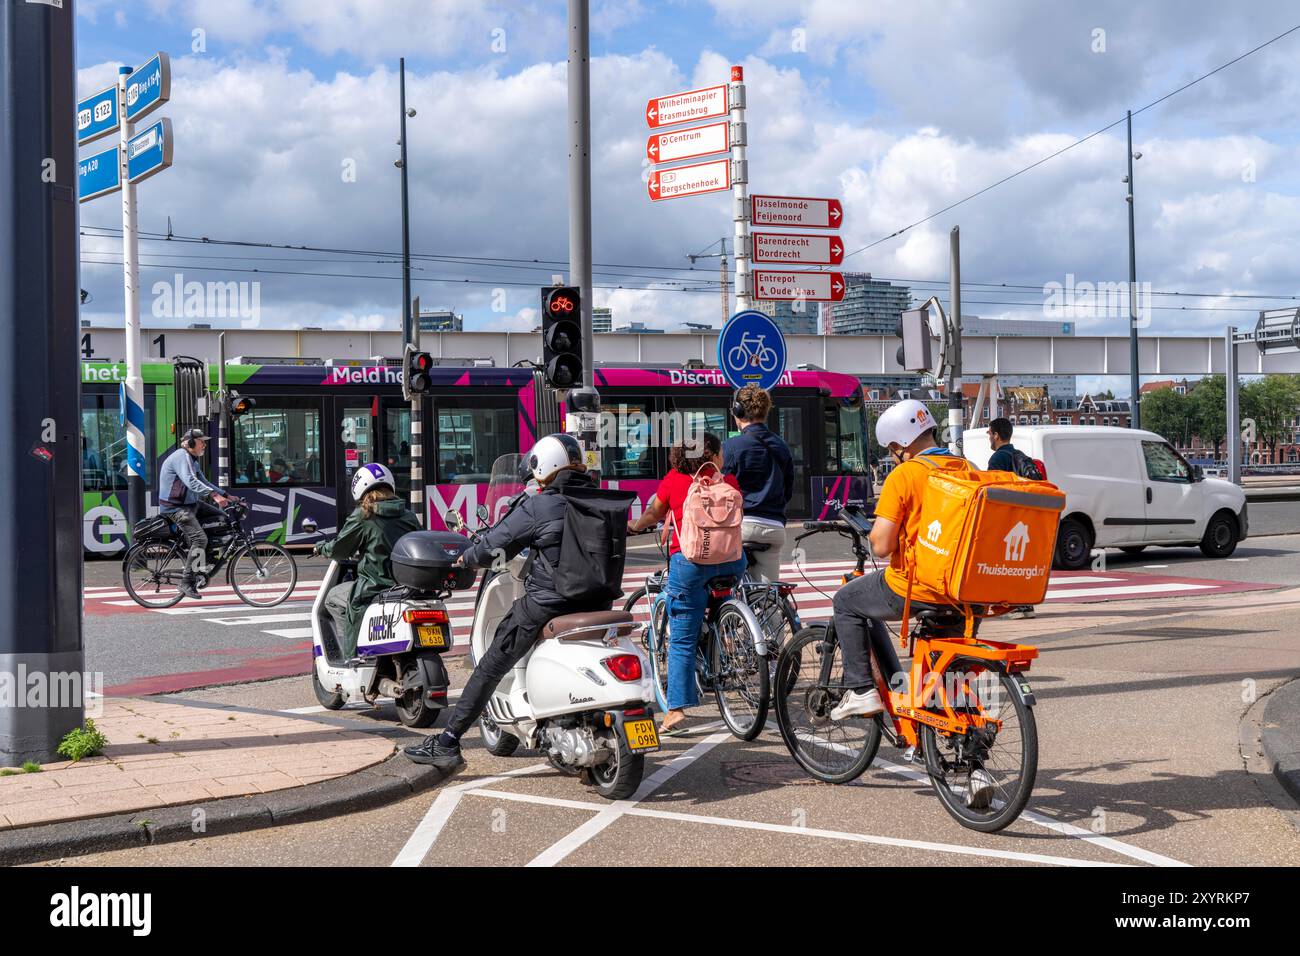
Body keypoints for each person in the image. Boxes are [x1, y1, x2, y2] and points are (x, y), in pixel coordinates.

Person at [404, 434, 611, 771]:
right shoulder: (602, 499)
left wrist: (468, 558)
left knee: (492, 662)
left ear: (543, 467)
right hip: (600, 601)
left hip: (550, 602)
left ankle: (448, 741)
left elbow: (495, 544)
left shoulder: (540, 505)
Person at [828, 399, 966, 721]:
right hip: (962, 591)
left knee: (846, 601)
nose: (892, 455)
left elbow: (881, 545)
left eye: (892, 449)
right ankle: (954, 743)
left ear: (901, 444)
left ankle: (861, 690)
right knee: (947, 672)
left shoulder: (905, 476)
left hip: (915, 588)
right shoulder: (966, 468)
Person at [627, 432, 748, 735]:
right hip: (733, 562)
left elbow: (655, 512)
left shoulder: (674, 479)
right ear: (712, 456)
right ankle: (726, 633)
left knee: (681, 638)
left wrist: (633, 525)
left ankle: (677, 711)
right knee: (719, 598)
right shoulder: (727, 481)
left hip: (691, 562)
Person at [313, 463, 420, 659]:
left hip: (374, 586)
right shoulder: (409, 516)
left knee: (334, 599)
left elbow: (340, 549)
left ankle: (352, 654)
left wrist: (322, 547)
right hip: (405, 587)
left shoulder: (364, 515)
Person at [722, 384, 794, 584]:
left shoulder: (730, 447)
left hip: (741, 526)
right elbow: (788, 491)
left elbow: (719, 491)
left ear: (738, 412)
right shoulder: (782, 446)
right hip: (774, 529)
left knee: (721, 583)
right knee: (767, 597)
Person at [158, 429, 233, 600]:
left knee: (222, 519)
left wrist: (226, 495)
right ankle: (186, 582)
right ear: (190, 443)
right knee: (200, 539)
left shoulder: (192, 461)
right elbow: (191, 481)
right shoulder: (181, 456)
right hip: (176, 508)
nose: (204, 444)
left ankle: (204, 559)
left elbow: (203, 481)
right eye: (201, 441)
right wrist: (215, 496)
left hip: (190, 504)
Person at [985, 417, 1036, 619]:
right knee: (1019, 563)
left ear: (996, 435)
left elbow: (991, 490)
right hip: (1023, 519)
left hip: (1005, 519)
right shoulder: (1020, 455)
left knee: (1003, 564)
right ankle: (1026, 605)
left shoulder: (998, 459)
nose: (989, 437)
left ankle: (1011, 605)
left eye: (989, 433)